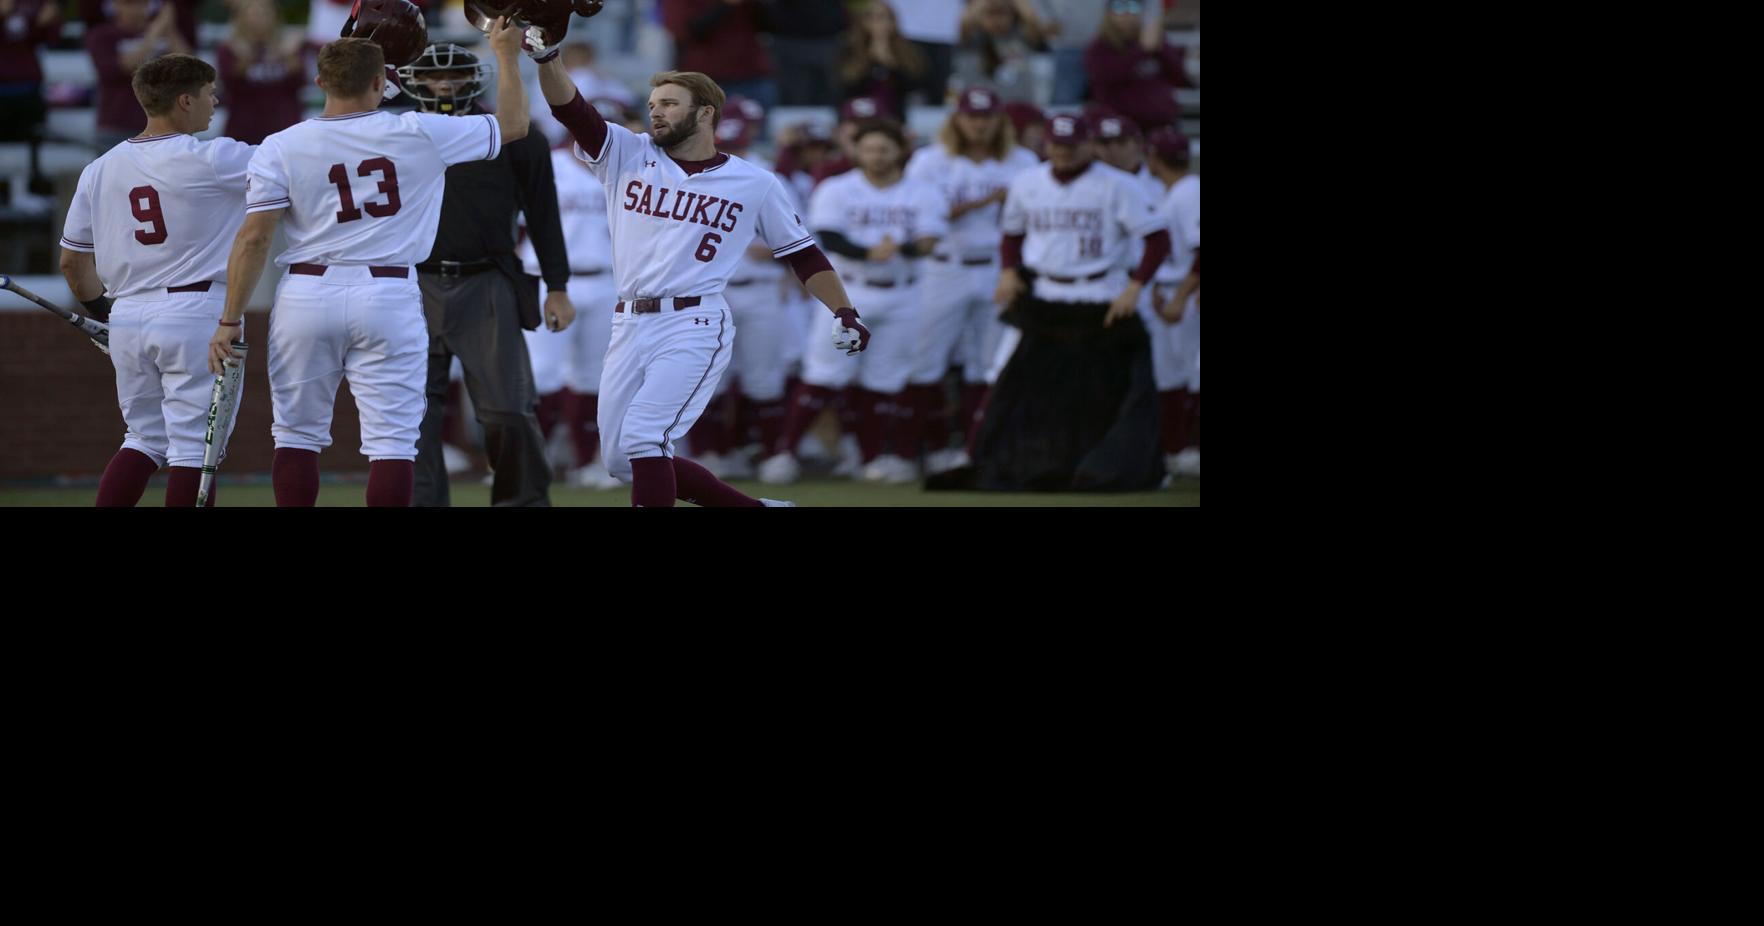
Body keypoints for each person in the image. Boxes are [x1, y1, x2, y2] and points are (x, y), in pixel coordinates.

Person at [207, 20, 532, 507]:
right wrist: (506, 53)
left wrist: (230, 318)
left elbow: (254, 239)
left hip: (307, 291)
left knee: (296, 434)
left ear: (319, 81)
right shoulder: (419, 129)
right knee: (393, 443)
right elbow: (515, 124)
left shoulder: (281, 143)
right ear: (381, 82)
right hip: (388, 291)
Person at [535, 41, 867, 506]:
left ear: (706, 113)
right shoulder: (628, 154)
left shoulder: (754, 182)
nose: (656, 112)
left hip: (692, 322)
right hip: (628, 320)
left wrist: (844, 311)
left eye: (669, 103)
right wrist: (547, 58)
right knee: (620, 460)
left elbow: (804, 255)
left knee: (645, 437)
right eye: (653, 104)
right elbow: (570, 109)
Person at [932, 113, 1170, 491]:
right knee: (1007, 374)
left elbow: (1157, 239)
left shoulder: (1118, 185)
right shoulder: (1027, 181)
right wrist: (1008, 271)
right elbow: (1012, 233)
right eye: (1057, 145)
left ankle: (1115, 464)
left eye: (1072, 145)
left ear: (1089, 144)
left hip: (1099, 291)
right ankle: (986, 455)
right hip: (1044, 293)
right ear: (1046, 144)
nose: (1064, 152)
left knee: (1107, 387)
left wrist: (1135, 286)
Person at [58, 53, 257, 507]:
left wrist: (103, 314)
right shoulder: (215, 156)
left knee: (143, 439)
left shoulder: (99, 168)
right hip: (196, 313)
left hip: (127, 316)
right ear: (185, 100)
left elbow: (72, 262)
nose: (215, 102)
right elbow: (297, 163)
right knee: (194, 450)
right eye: (209, 94)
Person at [400, 41, 576, 508]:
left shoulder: (516, 136)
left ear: (474, 78)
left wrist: (557, 286)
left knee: (509, 409)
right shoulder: (395, 134)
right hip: (408, 284)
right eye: (435, 75)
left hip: (487, 279)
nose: (445, 84)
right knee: (411, 414)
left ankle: (523, 502)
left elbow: (543, 214)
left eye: (456, 74)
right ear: (414, 81)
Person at [759, 118, 946, 486]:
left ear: (901, 151)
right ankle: (784, 454)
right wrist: (871, 252)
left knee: (885, 378)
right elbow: (828, 236)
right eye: (869, 148)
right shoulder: (838, 188)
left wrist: (901, 248)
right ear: (857, 152)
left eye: (884, 149)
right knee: (825, 373)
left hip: (904, 291)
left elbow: (930, 240)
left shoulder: (923, 191)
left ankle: (869, 458)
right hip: (849, 291)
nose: (877, 155)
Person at [899, 85, 1038, 475]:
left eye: (987, 117)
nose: (979, 124)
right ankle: (917, 450)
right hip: (944, 266)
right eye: (972, 116)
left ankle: (977, 450)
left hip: (997, 267)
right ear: (957, 119)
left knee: (988, 363)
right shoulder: (930, 160)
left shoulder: (1022, 160)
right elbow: (917, 217)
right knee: (925, 358)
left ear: (999, 120)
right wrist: (986, 201)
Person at [518, 97, 622, 490]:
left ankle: (586, 463)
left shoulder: (621, 170)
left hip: (606, 279)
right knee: (542, 373)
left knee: (594, 377)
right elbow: (517, 225)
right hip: (550, 281)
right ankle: (529, 461)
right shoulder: (551, 164)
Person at [1145, 126, 1198, 477]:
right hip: (1167, 288)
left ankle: (1193, 448)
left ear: (1153, 157)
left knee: (1194, 371)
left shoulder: (1190, 191)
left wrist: (1180, 298)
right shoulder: (1170, 192)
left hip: (1187, 290)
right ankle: (1175, 449)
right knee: (1168, 374)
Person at [87, 0, 193, 152]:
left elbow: (189, 66)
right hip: (116, 127)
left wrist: (169, 29)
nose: (136, 8)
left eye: (141, 3)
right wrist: (154, 33)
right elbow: (124, 67)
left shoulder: (163, 33)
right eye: (128, 3)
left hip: (161, 129)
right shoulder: (101, 35)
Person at [1084, 0, 1190, 133]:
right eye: (1119, 7)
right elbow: (1107, 76)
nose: (1127, 14)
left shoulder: (1156, 42)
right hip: (1120, 131)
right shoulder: (1099, 47)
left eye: (1134, 7)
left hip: (1161, 125)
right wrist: (1141, 50)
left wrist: (1160, 47)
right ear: (1108, 13)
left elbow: (1179, 76)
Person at [217, 0, 307, 145]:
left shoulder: (289, 47)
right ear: (240, 18)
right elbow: (228, 85)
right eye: (253, 14)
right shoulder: (229, 48)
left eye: (264, 13)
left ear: (275, 16)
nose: (259, 19)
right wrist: (245, 58)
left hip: (284, 128)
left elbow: (300, 82)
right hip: (244, 130)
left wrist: (289, 56)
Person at [838, 0, 928, 121]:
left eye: (882, 17)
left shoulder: (908, 51)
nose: (877, 23)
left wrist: (890, 62)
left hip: (893, 118)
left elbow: (913, 87)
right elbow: (847, 87)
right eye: (871, 18)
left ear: (893, 22)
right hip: (857, 118)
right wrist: (868, 61)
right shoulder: (849, 51)